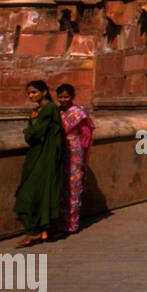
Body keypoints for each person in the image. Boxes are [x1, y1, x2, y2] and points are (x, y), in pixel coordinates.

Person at [13, 80, 65, 248]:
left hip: (46, 157)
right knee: (34, 192)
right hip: (36, 155)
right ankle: (40, 230)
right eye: (29, 93)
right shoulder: (36, 111)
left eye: (34, 92)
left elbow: (35, 132)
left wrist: (28, 133)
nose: (31, 95)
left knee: (27, 195)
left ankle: (33, 232)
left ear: (44, 92)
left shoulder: (50, 108)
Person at [54, 83, 94, 235]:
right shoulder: (58, 112)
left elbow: (86, 134)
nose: (63, 99)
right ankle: (59, 221)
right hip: (60, 150)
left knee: (73, 185)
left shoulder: (77, 113)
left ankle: (72, 223)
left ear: (72, 97)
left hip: (74, 151)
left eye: (66, 97)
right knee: (61, 186)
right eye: (61, 97)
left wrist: (81, 152)